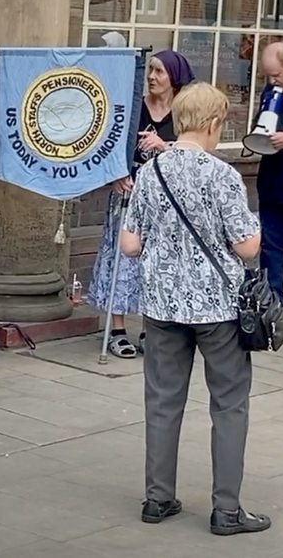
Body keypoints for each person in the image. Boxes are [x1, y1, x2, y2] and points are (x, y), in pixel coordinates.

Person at [120, 82, 269, 536]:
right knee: (229, 405)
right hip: (218, 308)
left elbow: (130, 244)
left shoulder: (150, 172)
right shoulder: (223, 175)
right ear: (212, 123)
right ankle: (226, 510)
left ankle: (158, 498)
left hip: (162, 305)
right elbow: (247, 247)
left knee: (162, 402)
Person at [88, 49, 195, 359]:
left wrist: (165, 145)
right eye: (150, 70)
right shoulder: (134, 107)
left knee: (157, 263)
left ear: (174, 77)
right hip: (129, 193)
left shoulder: (184, 112)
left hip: (164, 198)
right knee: (121, 259)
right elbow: (106, 146)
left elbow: (195, 151)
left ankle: (152, 328)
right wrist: (115, 175)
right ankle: (117, 330)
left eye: (159, 71)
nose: (151, 77)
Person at [255, 41, 283, 303]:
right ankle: (272, 304)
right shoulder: (272, 90)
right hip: (272, 182)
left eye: (276, 74)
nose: (272, 80)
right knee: (270, 249)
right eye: (268, 75)